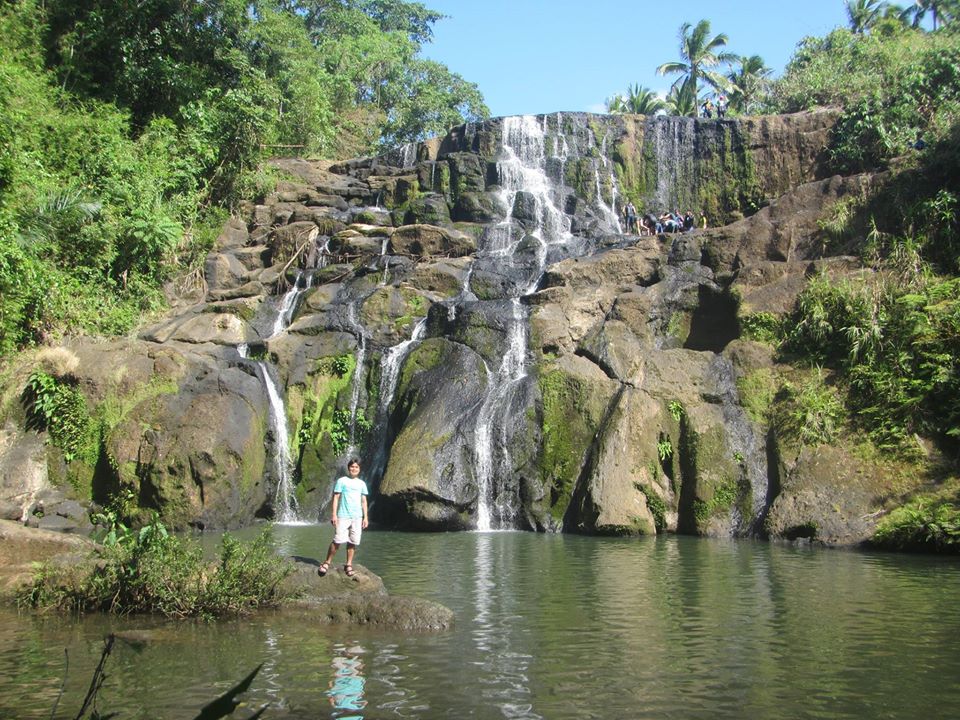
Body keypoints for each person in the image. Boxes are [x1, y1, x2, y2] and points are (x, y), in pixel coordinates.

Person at [318, 458, 369, 577]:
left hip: (357, 517)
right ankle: (327, 562)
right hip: (343, 515)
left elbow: (364, 501)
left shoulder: (362, 484)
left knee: (352, 541)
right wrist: (334, 515)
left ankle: (349, 564)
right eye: (352, 467)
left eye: (356, 467)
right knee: (337, 540)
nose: (354, 469)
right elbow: (336, 498)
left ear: (359, 469)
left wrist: (365, 517)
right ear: (348, 468)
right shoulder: (342, 481)